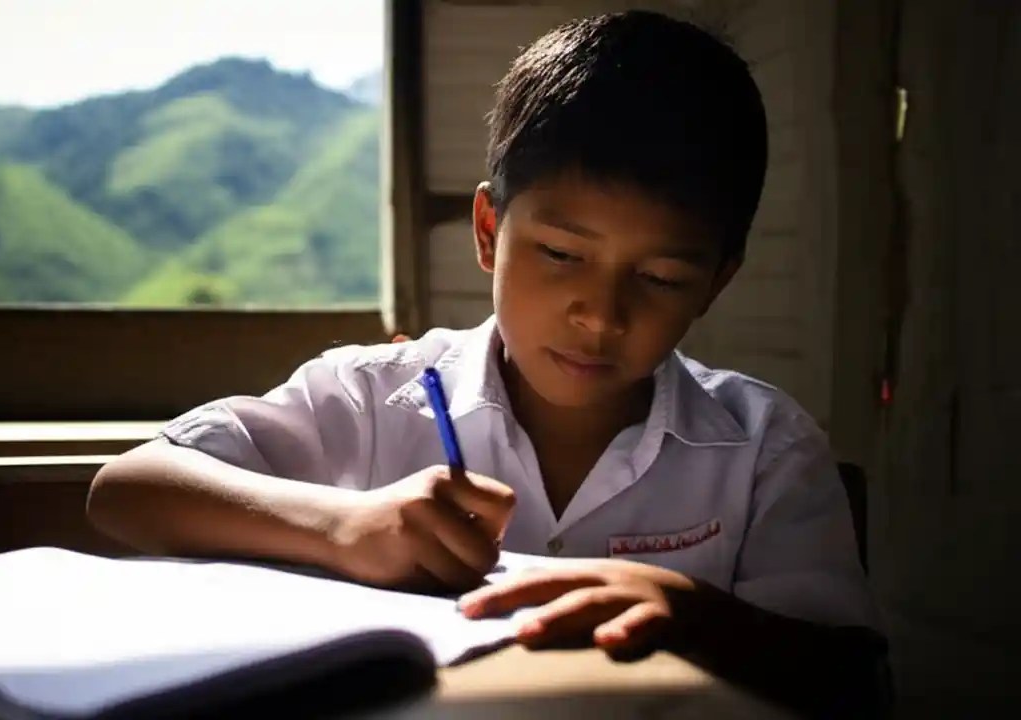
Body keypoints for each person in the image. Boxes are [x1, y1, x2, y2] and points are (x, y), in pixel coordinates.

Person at [88, 10, 888, 715]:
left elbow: (853, 679)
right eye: (561, 254)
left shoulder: (763, 447)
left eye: (660, 279)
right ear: (486, 231)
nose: (601, 315)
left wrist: (695, 615)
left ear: (716, 283)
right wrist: (342, 525)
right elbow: (127, 490)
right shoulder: (374, 399)